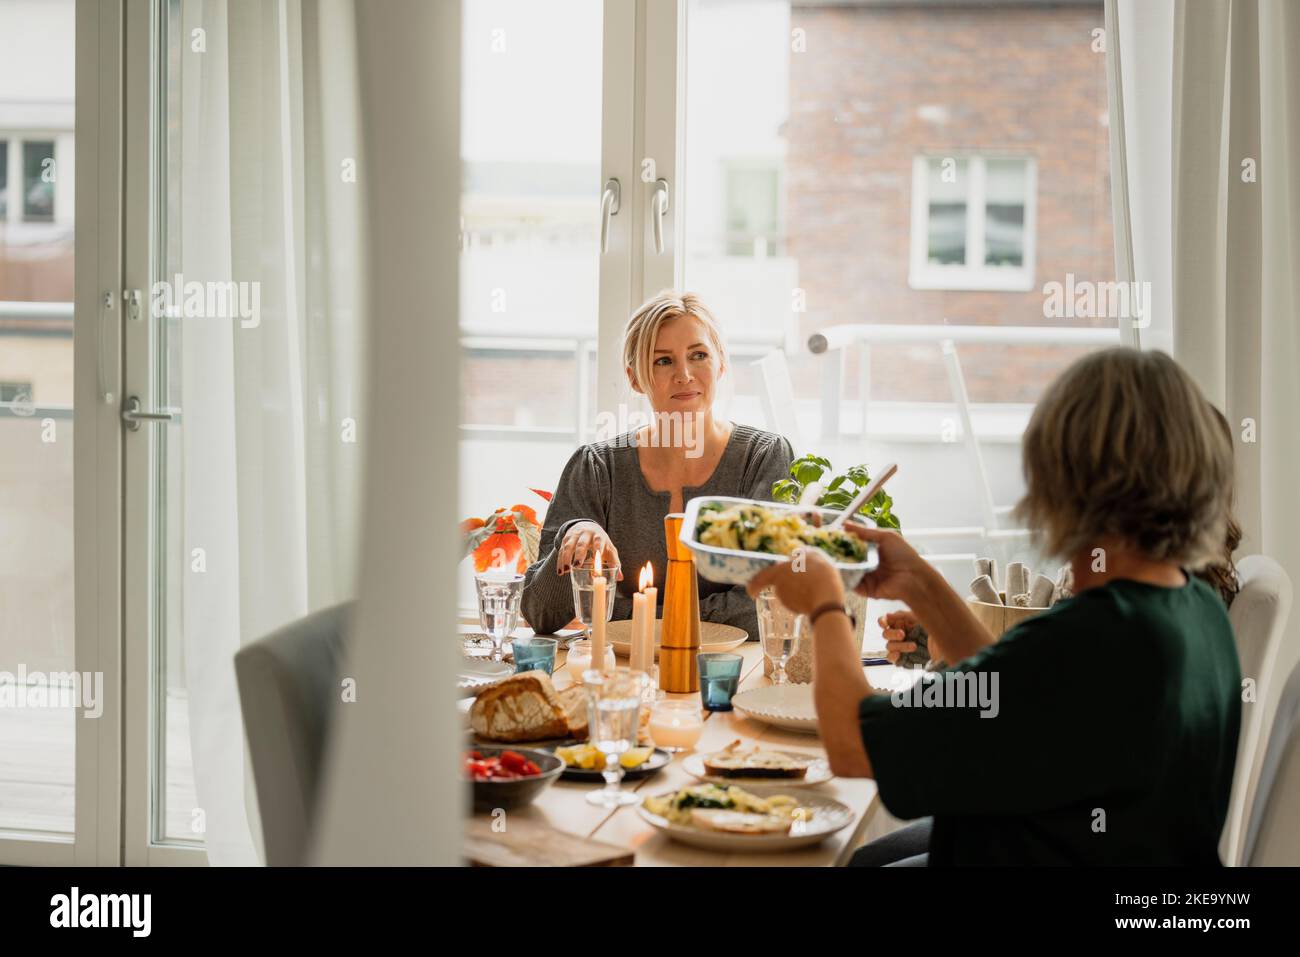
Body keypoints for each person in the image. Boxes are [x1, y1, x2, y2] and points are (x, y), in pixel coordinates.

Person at [748, 348, 1241, 865]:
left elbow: (853, 744)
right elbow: (1007, 696)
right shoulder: (1196, 609)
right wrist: (918, 581)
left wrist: (827, 604)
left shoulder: (1091, 639)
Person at [521, 291, 793, 638]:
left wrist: (630, 615)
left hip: (730, 673)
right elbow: (540, 614)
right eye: (663, 361)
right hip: (619, 676)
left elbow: (764, 603)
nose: (684, 374)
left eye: (698, 355)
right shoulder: (595, 467)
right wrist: (571, 537)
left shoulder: (764, 458)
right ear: (635, 377)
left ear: (721, 364)